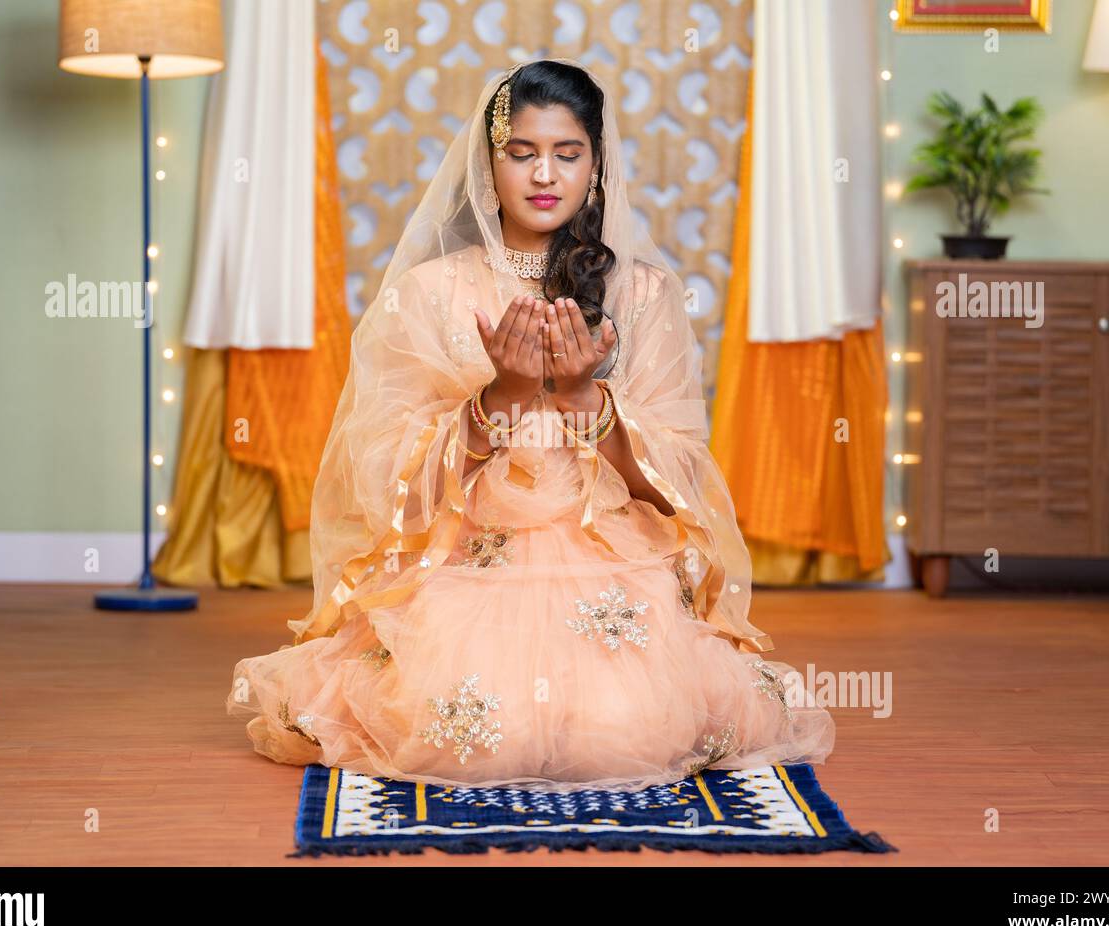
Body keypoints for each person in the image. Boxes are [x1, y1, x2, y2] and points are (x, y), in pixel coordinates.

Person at [225, 58, 834, 793]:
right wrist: (499, 400)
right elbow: (384, 483)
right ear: (489, 166)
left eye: (567, 154)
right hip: (460, 558)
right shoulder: (428, 293)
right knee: (466, 724)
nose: (544, 174)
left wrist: (586, 400)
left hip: (610, 554)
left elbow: (676, 487)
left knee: (620, 725)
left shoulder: (641, 293)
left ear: (597, 165)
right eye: (522, 153)